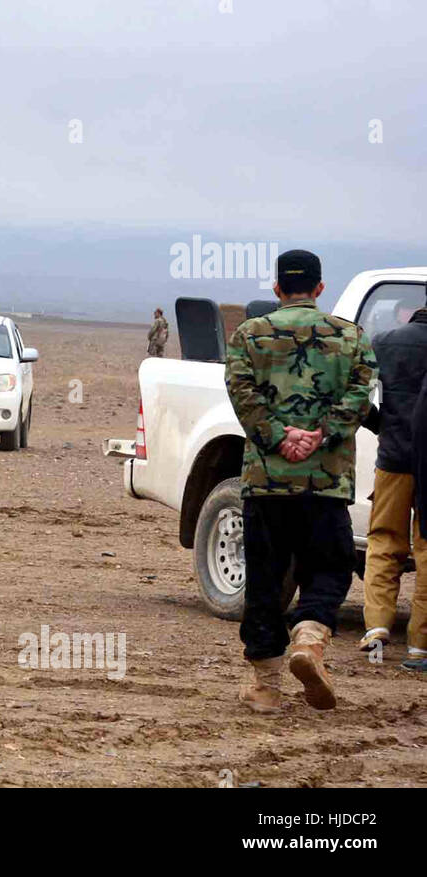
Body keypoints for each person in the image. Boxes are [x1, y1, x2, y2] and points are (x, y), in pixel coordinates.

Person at [226, 249, 376, 712]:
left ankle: (266, 688)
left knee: (266, 583)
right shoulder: (351, 338)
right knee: (329, 569)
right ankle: (309, 639)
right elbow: (360, 391)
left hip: (266, 484)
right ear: (319, 288)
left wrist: (277, 436)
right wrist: (320, 435)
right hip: (324, 484)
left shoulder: (249, 334)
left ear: (276, 289)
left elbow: (241, 390)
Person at [356, 297, 427, 661]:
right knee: (426, 549)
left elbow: (357, 396)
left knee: (384, 540)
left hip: (393, 456)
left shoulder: (385, 341)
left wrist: (382, 426)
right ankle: (419, 645)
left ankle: (377, 628)